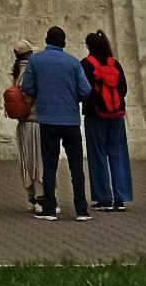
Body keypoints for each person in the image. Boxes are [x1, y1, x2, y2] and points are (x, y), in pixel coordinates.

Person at [19, 26, 92, 220]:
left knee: (49, 165)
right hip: (71, 120)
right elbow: (85, 90)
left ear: (47, 40)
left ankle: (49, 208)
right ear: (64, 42)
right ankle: (81, 209)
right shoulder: (74, 63)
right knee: (76, 166)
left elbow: (28, 88)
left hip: (47, 120)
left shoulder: (36, 61)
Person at [82, 29, 133, 210]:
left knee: (98, 156)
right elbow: (123, 89)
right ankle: (121, 198)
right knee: (118, 154)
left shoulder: (86, 64)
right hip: (116, 115)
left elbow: (83, 90)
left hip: (95, 115)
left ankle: (104, 198)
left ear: (88, 46)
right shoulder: (115, 63)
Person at [6, 42, 43, 213]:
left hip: (22, 123)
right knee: (38, 162)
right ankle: (41, 199)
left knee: (26, 160)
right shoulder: (33, 71)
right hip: (35, 121)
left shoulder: (15, 71)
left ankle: (30, 198)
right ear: (29, 54)